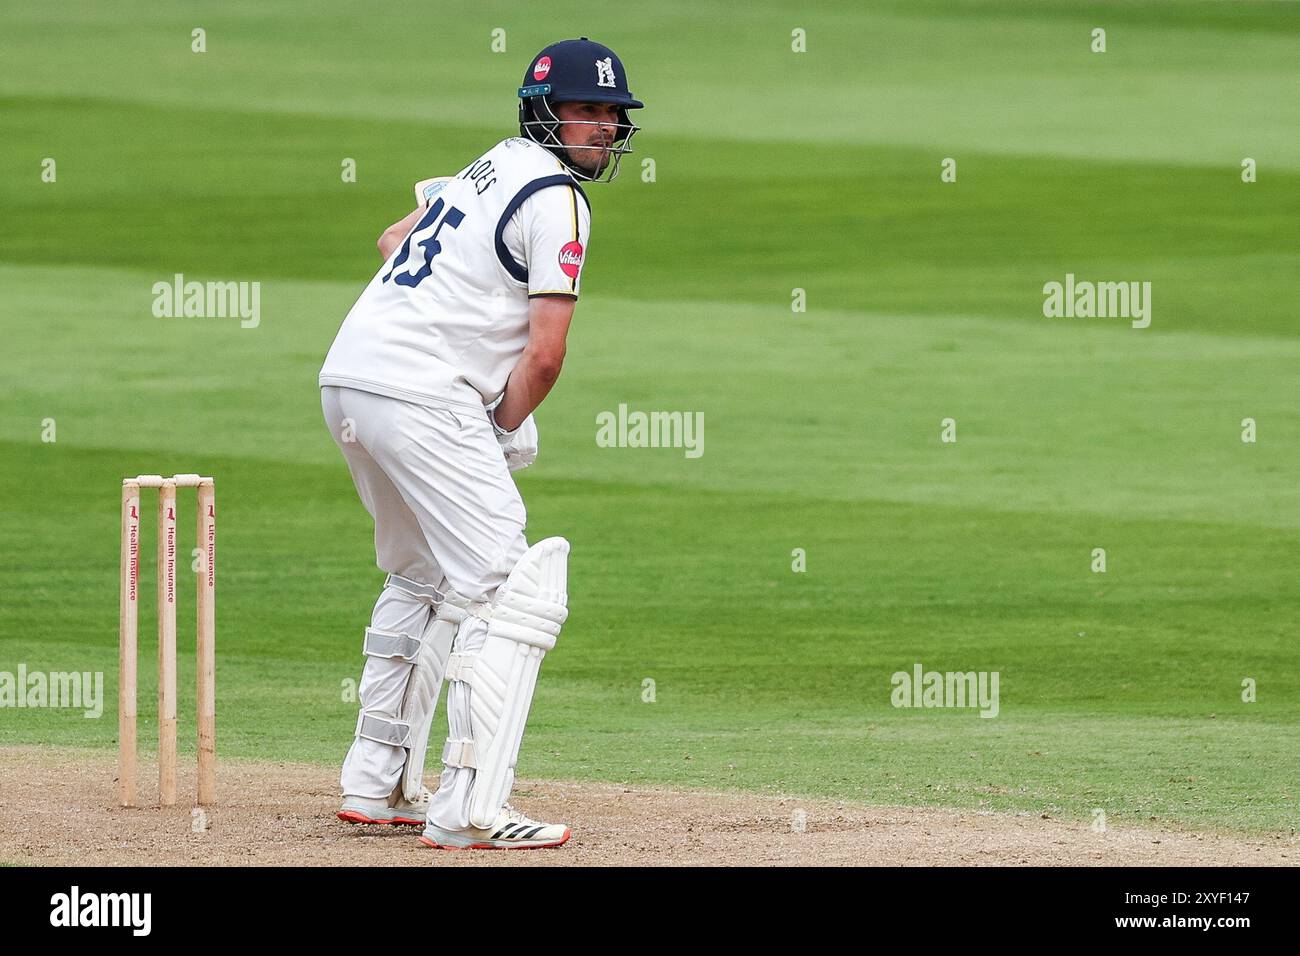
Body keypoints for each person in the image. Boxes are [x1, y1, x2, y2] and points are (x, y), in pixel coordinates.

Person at [317, 38, 643, 850]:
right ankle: (470, 807)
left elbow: (393, 240)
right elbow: (545, 353)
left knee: (422, 571)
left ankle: (377, 783)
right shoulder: (560, 198)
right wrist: (497, 426)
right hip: (423, 395)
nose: (603, 126)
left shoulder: (487, 167)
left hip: (350, 375)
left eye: (612, 114)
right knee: (506, 588)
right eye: (587, 110)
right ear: (546, 113)